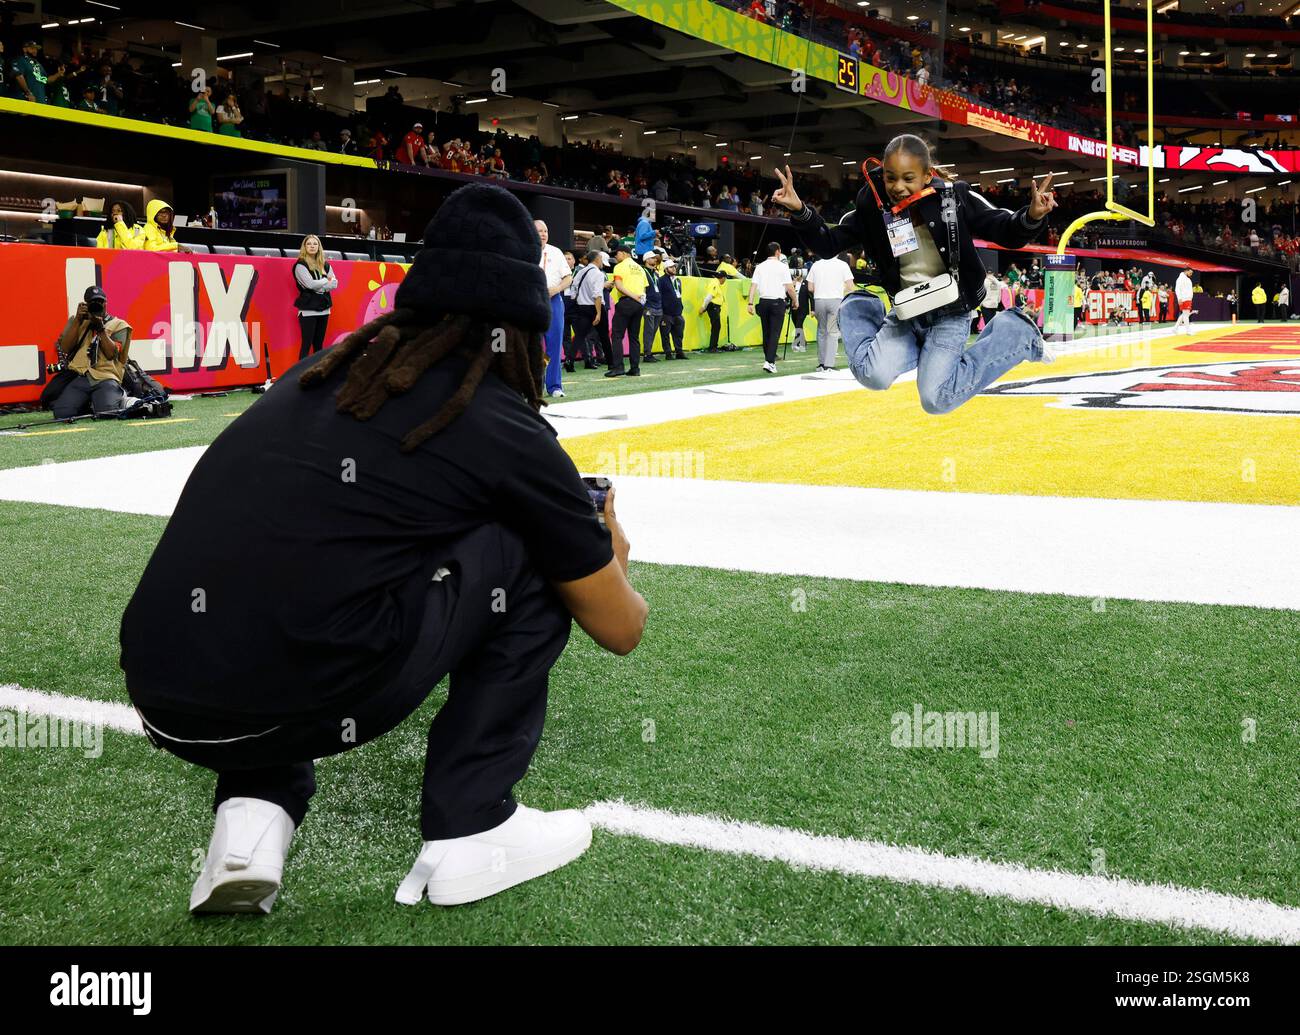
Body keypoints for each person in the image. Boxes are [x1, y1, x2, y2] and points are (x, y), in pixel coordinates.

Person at [119, 183, 648, 914]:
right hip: (299, 684)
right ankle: (474, 826)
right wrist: (606, 541)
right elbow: (621, 627)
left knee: (309, 566)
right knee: (526, 552)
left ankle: (250, 824)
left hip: (160, 686)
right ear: (527, 324)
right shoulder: (501, 424)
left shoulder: (322, 376)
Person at [773, 134, 1056, 414]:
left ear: (926, 175)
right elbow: (828, 243)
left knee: (936, 400)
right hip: (907, 313)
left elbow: (1002, 227)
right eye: (890, 177)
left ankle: (1016, 335)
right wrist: (800, 211)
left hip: (951, 314)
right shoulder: (870, 205)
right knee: (874, 375)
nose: (898, 187)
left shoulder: (953, 196)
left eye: (908, 178)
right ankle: (860, 307)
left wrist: (1031, 216)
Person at [51, 287, 133, 419]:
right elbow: (65, 348)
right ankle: (90, 402)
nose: (97, 305)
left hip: (106, 377)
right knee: (62, 413)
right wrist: (78, 320)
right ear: (86, 304)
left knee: (107, 413)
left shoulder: (120, 325)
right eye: (93, 302)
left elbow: (111, 354)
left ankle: (121, 398)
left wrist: (101, 329)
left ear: (106, 303)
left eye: (101, 302)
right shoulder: (79, 321)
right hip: (81, 376)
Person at [747, 241, 797, 374]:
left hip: (763, 302)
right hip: (777, 302)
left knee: (766, 333)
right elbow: (789, 287)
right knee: (774, 333)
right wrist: (795, 300)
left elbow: (753, 286)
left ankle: (768, 359)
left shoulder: (760, 266)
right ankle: (769, 362)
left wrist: (750, 303)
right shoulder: (782, 267)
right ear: (778, 251)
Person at [535, 220, 572, 398]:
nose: (543, 234)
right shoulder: (523, 250)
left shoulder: (556, 252)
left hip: (554, 300)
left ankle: (555, 386)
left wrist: (556, 289)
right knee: (533, 345)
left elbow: (568, 278)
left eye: (546, 231)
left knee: (554, 345)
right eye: (539, 231)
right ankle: (534, 385)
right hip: (532, 301)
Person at [806, 250, 855, 371]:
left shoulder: (816, 264)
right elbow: (851, 286)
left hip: (819, 300)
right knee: (833, 332)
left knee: (821, 331)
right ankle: (829, 364)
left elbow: (810, 287)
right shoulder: (842, 265)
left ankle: (821, 364)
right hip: (836, 300)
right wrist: (840, 290)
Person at [294, 235, 338, 360]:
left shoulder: (325, 264)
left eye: (315, 244)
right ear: (305, 247)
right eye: (309, 244)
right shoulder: (300, 265)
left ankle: (317, 374)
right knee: (306, 345)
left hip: (324, 308)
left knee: (319, 346)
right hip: (308, 310)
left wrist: (320, 287)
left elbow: (334, 283)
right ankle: (300, 376)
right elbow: (309, 284)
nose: (312, 246)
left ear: (319, 247)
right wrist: (325, 280)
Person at [608, 242, 647, 378]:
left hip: (626, 302)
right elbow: (644, 287)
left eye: (617, 253)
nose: (616, 256)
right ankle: (635, 368)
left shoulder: (619, 267)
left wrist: (632, 296)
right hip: (639, 305)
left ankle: (618, 367)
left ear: (624, 253)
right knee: (634, 337)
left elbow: (619, 286)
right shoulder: (640, 268)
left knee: (617, 336)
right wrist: (638, 299)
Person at [569, 250, 608, 368]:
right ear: (597, 259)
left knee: (581, 336)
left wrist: (578, 299)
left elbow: (573, 289)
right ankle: (608, 362)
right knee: (599, 335)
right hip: (592, 306)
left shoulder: (581, 272)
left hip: (580, 306)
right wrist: (599, 312)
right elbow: (597, 294)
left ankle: (570, 361)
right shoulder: (597, 273)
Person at [657, 255, 687, 360]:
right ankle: (668, 353)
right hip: (666, 313)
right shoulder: (661, 280)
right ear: (666, 269)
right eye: (671, 267)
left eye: (674, 266)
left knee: (679, 334)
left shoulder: (678, 280)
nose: (674, 268)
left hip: (678, 312)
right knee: (665, 335)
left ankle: (679, 352)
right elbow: (659, 295)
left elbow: (679, 294)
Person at [640, 251, 664, 363]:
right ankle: (647, 354)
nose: (655, 260)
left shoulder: (655, 274)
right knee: (648, 331)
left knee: (653, 331)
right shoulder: (643, 272)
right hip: (649, 305)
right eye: (653, 258)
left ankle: (648, 352)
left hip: (658, 306)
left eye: (655, 258)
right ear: (646, 260)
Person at [701, 269, 727, 351]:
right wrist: (703, 307)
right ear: (723, 278)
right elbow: (709, 296)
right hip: (713, 306)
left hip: (714, 307)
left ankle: (713, 346)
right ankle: (713, 347)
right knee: (716, 326)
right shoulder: (715, 283)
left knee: (716, 326)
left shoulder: (715, 282)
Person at [1174, 266, 1194, 333]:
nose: (1191, 274)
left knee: (1184, 314)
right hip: (1184, 299)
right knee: (1186, 315)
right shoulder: (1180, 278)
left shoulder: (1187, 279)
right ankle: (1188, 330)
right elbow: (1177, 289)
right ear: (1186, 271)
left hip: (1188, 299)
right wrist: (1179, 298)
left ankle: (1175, 328)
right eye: (1190, 273)